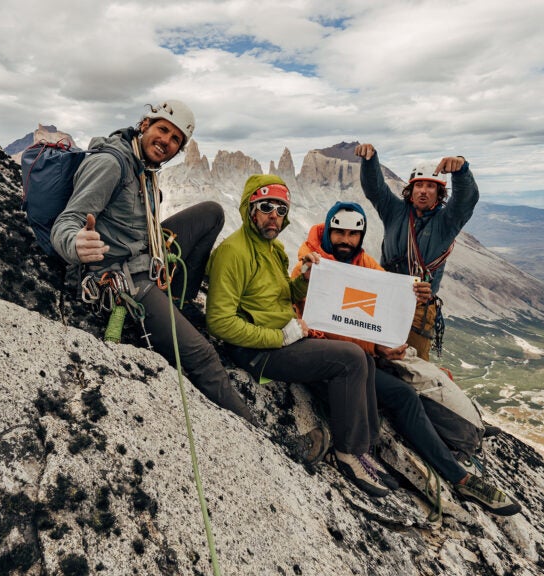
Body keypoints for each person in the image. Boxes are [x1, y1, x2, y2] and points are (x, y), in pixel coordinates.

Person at [289, 201, 521, 516]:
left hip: (363, 362)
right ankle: (347, 447)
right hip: (327, 364)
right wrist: (374, 348)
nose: (345, 240)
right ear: (328, 230)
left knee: (404, 396)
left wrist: (415, 298)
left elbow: (386, 305)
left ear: (361, 237)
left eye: (352, 234)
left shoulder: (365, 264)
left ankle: (460, 477)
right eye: (339, 232)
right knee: (371, 405)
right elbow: (307, 314)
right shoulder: (311, 263)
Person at [50, 100, 254, 423]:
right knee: (203, 356)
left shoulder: (142, 166)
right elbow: (66, 222)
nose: (167, 142)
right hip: (125, 279)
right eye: (162, 130)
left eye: (176, 140)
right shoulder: (112, 164)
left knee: (212, 213)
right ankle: (255, 432)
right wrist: (76, 243)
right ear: (145, 125)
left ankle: (175, 303)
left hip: (147, 255)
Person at [206, 175, 395, 498]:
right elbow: (219, 322)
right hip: (257, 350)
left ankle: (365, 448)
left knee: (362, 356)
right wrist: (279, 337)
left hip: (285, 338)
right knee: (349, 359)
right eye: (266, 207)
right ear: (250, 208)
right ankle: (348, 454)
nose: (274, 217)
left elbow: (284, 294)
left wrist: (306, 278)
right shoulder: (232, 252)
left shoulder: (274, 249)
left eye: (281, 210)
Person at [355, 144, 480, 361]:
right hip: (386, 298)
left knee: (414, 365)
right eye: (418, 185)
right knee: (378, 358)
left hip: (419, 308)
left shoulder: (447, 222)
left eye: (431, 186)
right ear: (411, 191)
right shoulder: (394, 211)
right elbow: (375, 189)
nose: (423, 190)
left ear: (439, 193)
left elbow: (465, 201)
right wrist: (370, 160)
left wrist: (461, 170)